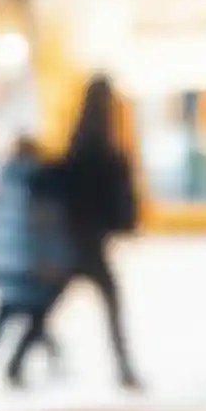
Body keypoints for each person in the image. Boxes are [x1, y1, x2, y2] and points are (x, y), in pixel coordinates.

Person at [55, 75, 142, 389]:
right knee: (109, 303)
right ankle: (125, 370)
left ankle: (125, 369)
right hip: (86, 243)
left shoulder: (79, 141)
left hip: (76, 240)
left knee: (41, 307)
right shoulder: (103, 146)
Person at [0, 138, 69, 386]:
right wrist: (49, 261)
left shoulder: (2, 184)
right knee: (29, 315)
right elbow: (40, 230)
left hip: (6, 265)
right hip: (28, 265)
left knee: (20, 317)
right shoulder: (37, 186)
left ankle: (18, 365)